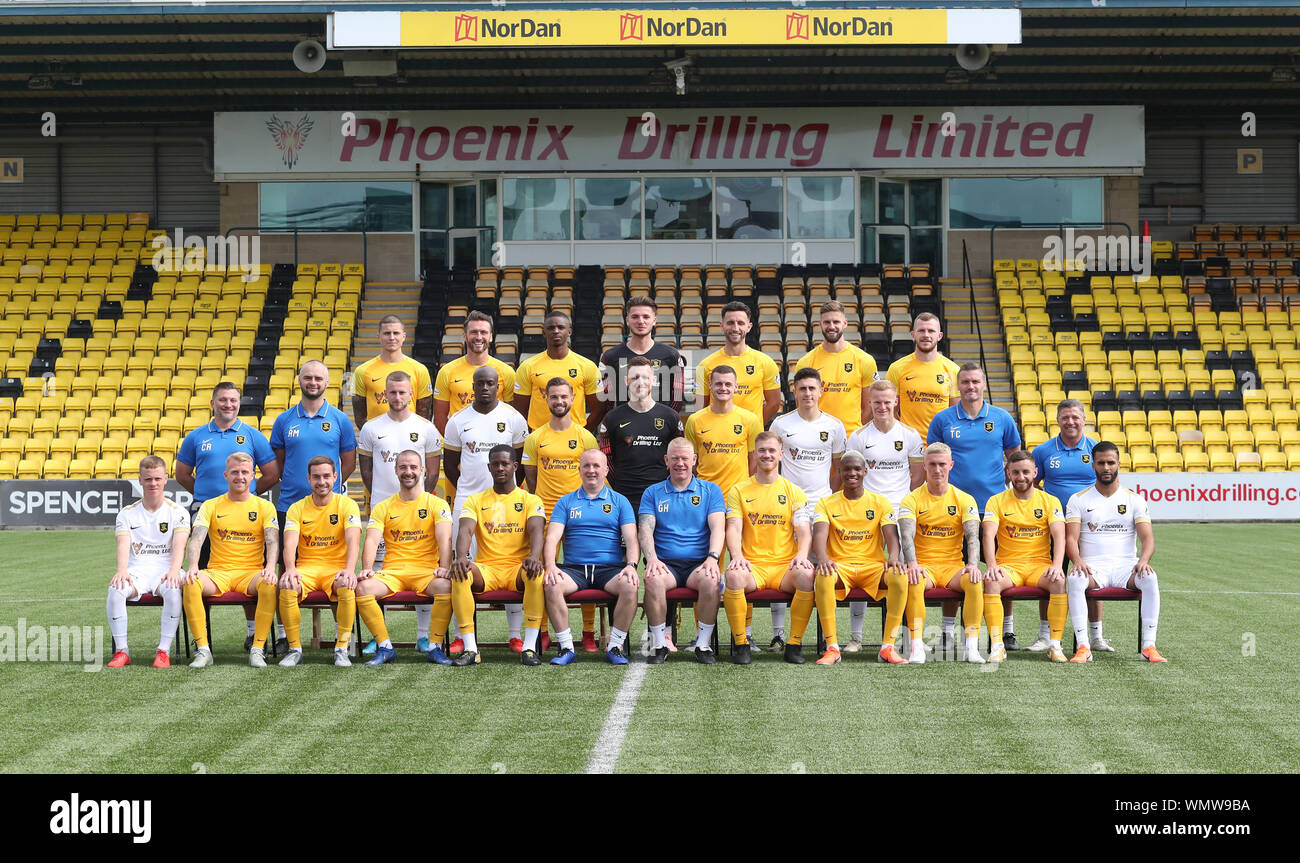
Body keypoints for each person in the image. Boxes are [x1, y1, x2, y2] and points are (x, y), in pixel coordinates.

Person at [175, 381, 283, 652]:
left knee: (247, 567)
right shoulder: (197, 436)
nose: (228, 404)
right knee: (198, 574)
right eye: (222, 400)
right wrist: (206, 499)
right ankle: (202, 637)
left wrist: (249, 494)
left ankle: (251, 633)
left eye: (233, 400)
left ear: (238, 404)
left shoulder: (252, 435)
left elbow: (271, 473)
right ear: (212, 403)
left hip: (246, 513)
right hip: (206, 511)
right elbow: (182, 474)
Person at [926, 362, 1021, 651]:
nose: (970, 387)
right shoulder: (942, 420)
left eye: (975, 382)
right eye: (965, 382)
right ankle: (946, 632)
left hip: (993, 507)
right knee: (956, 569)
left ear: (983, 384)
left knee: (999, 570)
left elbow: (1014, 456)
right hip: (953, 509)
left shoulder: (1002, 418)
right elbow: (933, 458)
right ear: (958, 385)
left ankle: (1006, 631)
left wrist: (1008, 490)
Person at [355, 370, 442, 653]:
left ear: (411, 394)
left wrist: (420, 499)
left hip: (418, 509)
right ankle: (377, 636)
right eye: (391, 392)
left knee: (425, 567)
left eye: (402, 392)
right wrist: (382, 496)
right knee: (377, 571)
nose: (397, 397)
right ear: (384, 394)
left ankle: (422, 636)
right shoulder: (370, 428)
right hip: (384, 509)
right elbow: (366, 470)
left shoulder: (426, 428)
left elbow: (431, 470)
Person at [445, 365, 530, 648]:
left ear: (499, 386)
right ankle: (460, 636)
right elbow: (449, 465)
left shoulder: (514, 418)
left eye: (490, 383)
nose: (484, 388)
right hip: (467, 501)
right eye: (479, 383)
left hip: (507, 502)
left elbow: (519, 461)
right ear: (473, 385)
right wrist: (472, 490)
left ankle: (515, 635)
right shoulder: (457, 420)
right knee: (461, 565)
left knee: (511, 560)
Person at [767, 367, 847, 651]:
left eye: (813, 388)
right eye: (802, 389)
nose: (808, 394)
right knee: (786, 566)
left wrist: (828, 499)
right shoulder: (780, 425)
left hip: (822, 509)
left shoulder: (835, 426)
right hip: (789, 507)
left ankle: (828, 638)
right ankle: (778, 633)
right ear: (794, 391)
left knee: (823, 571)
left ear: (821, 390)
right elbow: (773, 463)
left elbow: (838, 469)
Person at [1064, 442, 1167, 664]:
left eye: (1111, 462)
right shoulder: (1078, 499)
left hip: (1125, 568)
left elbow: (1147, 538)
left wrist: (1144, 560)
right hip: (1093, 568)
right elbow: (1070, 539)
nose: (1106, 467)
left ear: (1119, 463)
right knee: (1074, 578)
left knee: (1150, 577)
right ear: (1093, 466)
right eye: (1101, 463)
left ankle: (1149, 646)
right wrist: (1077, 560)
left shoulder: (1134, 499)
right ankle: (1083, 647)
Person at [447, 446, 548, 667]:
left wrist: (534, 556)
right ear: (489, 467)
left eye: (505, 463)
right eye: (495, 464)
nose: (500, 468)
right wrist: (461, 556)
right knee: (460, 572)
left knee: (536, 572)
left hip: (517, 569)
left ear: (515, 466)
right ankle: (471, 650)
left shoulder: (531, 500)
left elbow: (536, 531)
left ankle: (529, 647)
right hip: (487, 570)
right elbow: (465, 530)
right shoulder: (475, 500)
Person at [809, 450, 912, 665]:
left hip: (872, 567)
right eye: (847, 469)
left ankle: (887, 647)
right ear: (839, 471)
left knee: (899, 576)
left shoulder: (881, 502)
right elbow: (818, 535)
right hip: (840, 567)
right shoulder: (826, 503)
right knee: (823, 577)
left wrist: (893, 556)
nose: (852, 473)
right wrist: (824, 558)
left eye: (857, 468)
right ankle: (832, 648)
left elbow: (892, 536)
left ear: (865, 471)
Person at [843, 379, 924, 651]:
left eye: (887, 402)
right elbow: (852, 475)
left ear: (896, 401)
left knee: (901, 574)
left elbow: (918, 474)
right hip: (866, 512)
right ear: (870, 403)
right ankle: (856, 637)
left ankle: (902, 637)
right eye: (876, 402)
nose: (882, 407)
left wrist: (903, 504)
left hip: (899, 514)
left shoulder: (910, 435)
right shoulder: (858, 437)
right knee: (860, 569)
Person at [721, 431, 815, 665]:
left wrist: (802, 556)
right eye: (762, 450)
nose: (767, 455)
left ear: (781, 454)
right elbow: (733, 527)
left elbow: (804, 530)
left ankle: (794, 644)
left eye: (772, 450)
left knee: (806, 575)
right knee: (733, 575)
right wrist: (737, 556)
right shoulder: (739, 490)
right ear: (755, 453)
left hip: (785, 567)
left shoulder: (794, 491)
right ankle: (741, 643)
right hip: (753, 567)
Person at [684, 364, 762, 645]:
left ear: (736, 386)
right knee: (706, 567)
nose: (723, 389)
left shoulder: (750, 419)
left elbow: (754, 461)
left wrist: (746, 493)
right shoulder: (696, 420)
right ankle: (702, 632)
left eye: (729, 384)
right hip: (705, 502)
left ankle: (746, 633)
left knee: (742, 565)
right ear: (710, 386)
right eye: (718, 384)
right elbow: (692, 462)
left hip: (740, 503)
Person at [354, 450, 455, 666]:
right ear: (396, 471)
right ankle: (385, 647)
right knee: (362, 588)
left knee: (447, 585)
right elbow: (371, 540)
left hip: (426, 571)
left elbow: (445, 538)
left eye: (412, 467)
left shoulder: (437, 504)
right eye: (403, 467)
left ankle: (435, 647)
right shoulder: (383, 506)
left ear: (422, 471)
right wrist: (367, 568)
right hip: (393, 572)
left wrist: (445, 567)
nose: (408, 472)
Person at [181, 452, 280, 668]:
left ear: (252, 475)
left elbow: (272, 542)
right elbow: (196, 539)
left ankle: (258, 648)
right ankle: (203, 650)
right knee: (190, 582)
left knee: (270, 582)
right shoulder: (210, 505)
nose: (240, 477)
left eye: (245, 472)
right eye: (235, 472)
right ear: (226, 475)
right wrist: (192, 567)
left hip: (251, 573)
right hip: (218, 573)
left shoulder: (265, 506)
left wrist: (270, 567)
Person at [523, 377, 600, 653]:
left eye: (564, 397)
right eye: (553, 397)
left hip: (581, 514)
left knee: (588, 567)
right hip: (547, 516)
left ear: (573, 399)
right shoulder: (535, 438)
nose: (559, 402)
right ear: (546, 399)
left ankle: (588, 632)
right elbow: (531, 480)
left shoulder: (585, 436)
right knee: (544, 572)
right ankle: (543, 630)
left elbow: (594, 477)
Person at [542, 449, 640, 666]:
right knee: (551, 584)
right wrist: (550, 566)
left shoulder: (619, 501)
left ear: (606, 470)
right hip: (574, 569)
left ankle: (615, 646)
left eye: (596, 466)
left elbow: (632, 539)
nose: (591, 470)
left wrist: (631, 565)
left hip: (610, 569)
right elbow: (552, 538)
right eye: (586, 466)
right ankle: (566, 647)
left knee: (630, 585)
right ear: (579, 470)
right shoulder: (566, 502)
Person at [638, 438, 726, 665]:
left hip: (699, 563)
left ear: (694, 460)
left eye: (685, 458)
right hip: (666, 563)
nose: (680, 463)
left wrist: (712, 558)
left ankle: (703, 644)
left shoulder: (711, 490)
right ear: (666, 461)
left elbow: (718, 527)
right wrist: (652, 559)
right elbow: (645, 529)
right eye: (675, 458)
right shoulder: (652, 492)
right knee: (653, 579)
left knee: (711, 579)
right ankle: (659, 644)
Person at [896, 443, 985, 664]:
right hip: (924, 566)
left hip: (953, 567)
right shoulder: (911, 499)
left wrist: (973, 565)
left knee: (974, 580)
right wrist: (913, 564)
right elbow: (906, 536)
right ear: (924, 465)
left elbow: (972, 537)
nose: (937, 469)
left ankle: (971, 648)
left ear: (951, 465)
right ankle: (917, 647)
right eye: (933, 464)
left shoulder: (964, 499)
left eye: (942, 464)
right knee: (913, 580)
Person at [1031, 398, 1108, 653]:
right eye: (1065, 417)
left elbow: (1107, 485)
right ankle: (1045, 635)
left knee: (1092, 577)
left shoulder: (1097, 449)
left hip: (1089, 527)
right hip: (1052, 527)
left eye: (1075, 417)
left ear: (1084, 420)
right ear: (1058, 421)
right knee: (1052, 575)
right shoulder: (1043, 451)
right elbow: (1032, 484)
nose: (1071, 422)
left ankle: (1096, 636)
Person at [980, 451, 1069, 663]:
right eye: (1016, 472)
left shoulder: (1050, 501)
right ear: (1008, 473)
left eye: (1026, 472)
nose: (1021, 477)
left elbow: (1059, 535)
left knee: (1059, 580)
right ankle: (997, 646)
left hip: (1039, 566)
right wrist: (991, 565)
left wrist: (1057, 566)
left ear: (1035, 473)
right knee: (991, 580)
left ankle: (1054, 645)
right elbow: (988, 534)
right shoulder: (996, 501)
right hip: (1009, 567)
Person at [276, 455, 363, 668]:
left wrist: (350, 570)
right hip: (307, 568)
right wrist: (289, 569)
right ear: (308, 479)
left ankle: (342, 648)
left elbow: (353, 541)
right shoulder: (297, 508)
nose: (321, 482)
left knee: (346, 584)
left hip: (336, 569)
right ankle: (295, 649)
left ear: (335, 477)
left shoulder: (347, 505)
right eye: (316, 477)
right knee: (287, 584)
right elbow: (289, 544)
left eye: (326, 476)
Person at [106, 455, 191, 668]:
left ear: (165, 479)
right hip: (138, 569)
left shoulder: (178, 512)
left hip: (167, 568)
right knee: (116, 589)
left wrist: (174, 570)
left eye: (157, 479)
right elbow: (123, 544)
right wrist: (121, 570)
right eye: (148, 479)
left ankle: (163, 651)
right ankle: (121, 651)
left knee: (172, 589)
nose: (153, 483)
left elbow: (180, 546)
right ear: (140, 480)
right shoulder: (127, 514)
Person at [270, 359, 356, 547]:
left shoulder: (340, 419)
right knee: (287, 565)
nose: (313, 382)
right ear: (299, 380)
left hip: (328, 507)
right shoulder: (284, 420)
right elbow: (279, 462)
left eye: (318, 378)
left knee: (330, 562)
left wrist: (328, 484)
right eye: (308, 377)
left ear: (327, 382)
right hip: (290, 504)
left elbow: (349, 463)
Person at [598, 357, 684, 514]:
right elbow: (606, 457)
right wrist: (619, 485)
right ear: (626, 381)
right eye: (635, 377)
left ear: (654, 380)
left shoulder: (671, 417)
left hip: (663, 497)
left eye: (645, 377)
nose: (640, 382)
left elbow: (679, 457)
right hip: (625, 498)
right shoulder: (612, 418)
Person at [794, 300, 877, 435]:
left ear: (845, 323)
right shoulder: (806, 362)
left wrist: (855, 433)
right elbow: (802, 405)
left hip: (852, 437)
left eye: (836, 322)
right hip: (817, 436)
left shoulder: (865, 360)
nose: (831, 326)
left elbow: (869, 405)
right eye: (827, 322)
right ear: (820, 324)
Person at [513, 310, 603, 433]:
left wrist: (584, 433)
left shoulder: (587, 366)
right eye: (551, 328)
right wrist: (533, 435)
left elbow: (599, 409)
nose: (556, 331)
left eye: (561, 327)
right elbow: (519, 411)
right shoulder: (528, 366)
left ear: (569, 331)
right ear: (544, 332)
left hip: (574, 440)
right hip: (539, 438)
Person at [432, 310, 516, 435]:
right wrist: (454, 442)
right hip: (461, 443)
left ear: (491, 337)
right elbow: (439, 417)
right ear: (464, 336)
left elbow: (512, 415)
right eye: (473, 332)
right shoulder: (446, 372)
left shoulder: (506, 372)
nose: (478, 337)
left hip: (495, 441)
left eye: (483, 332)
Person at [695, 301, 781, 424]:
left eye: (740, 323)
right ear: (722, 325)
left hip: (750, 438)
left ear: (749, 327)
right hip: (717, 435)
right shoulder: (704, 365)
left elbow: (774, 403)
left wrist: (754, 425)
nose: (735, 328)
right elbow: (699, 408)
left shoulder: (765, 362)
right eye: (730, 323)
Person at [599, 295, 685, 411]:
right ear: (627, 320)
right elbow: (606, 402)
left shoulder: (672, 355)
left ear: (654, 321)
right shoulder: (610, 357)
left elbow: (678, 398)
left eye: (646, 317)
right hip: (623, 426)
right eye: (635, 317)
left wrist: (666, 422)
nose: (641, 321)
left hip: (660, 426)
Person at [886, 312, 960, 436]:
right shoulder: (896, 368)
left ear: (940, 336)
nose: (926, 335)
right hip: (908, 446)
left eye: (931, 331)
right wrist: (905, 434)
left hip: (940, 445)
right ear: (913, 335)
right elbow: (889, 410)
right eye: (921, 331)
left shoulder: (953, 370)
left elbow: (956, 413)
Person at [351, 314, 433, 425]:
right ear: (378, 336)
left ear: (403, 336)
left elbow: (424, 413)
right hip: (376, 437)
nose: (392, 337)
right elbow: (360, 417)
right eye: (387, 333)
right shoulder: (361, 371)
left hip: (410, 437)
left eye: (396, 333)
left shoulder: (420, 370)